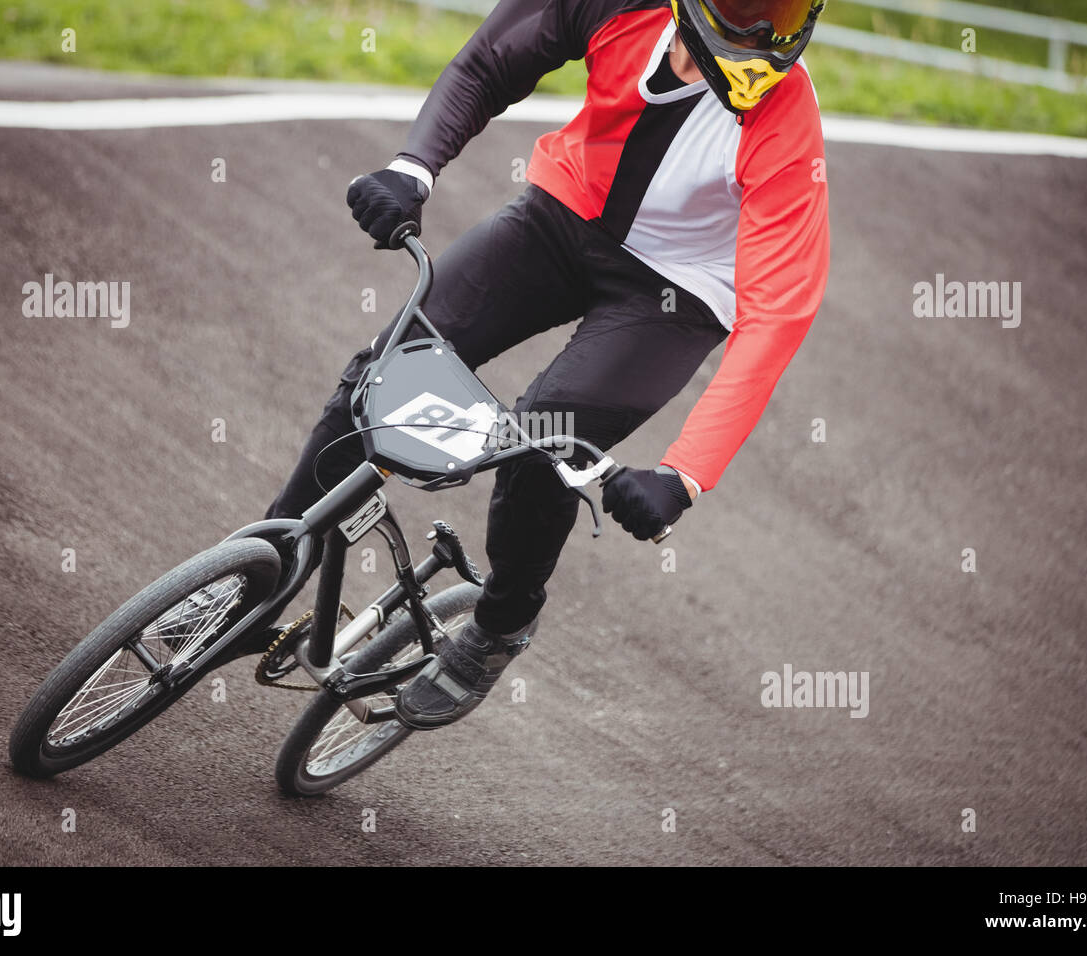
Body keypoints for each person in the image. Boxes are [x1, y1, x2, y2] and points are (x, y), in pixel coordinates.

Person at [265, 0, 831, 730]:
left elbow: (777, 314)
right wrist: (414, 167)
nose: (763, 33)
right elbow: (491, 61)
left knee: (543, 443)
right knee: (384, 372)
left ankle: (502, 622)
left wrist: (683, 474)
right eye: (749, 8)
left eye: (783, 12)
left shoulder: (787, 117)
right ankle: (270, 567)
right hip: (559, 221)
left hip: (672, 295)